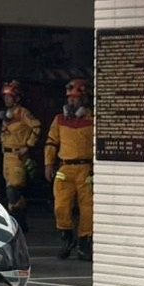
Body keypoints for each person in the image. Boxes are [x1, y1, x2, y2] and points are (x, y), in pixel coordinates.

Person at [44, 78, 94, 261]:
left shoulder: (93, 120)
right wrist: (48, 164)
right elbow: (51, 142)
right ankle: (66, 239)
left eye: (76, 99)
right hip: (64, 168)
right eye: (70, 98)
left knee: (87, 210)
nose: (72, 102)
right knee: (60, 207)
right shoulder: (59, 120)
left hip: (86, 170)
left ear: (84, 100)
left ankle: (84, 244)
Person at [0, 80, 40, 232]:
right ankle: (19, 223)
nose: (6, 99)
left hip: (17, 156)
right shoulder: (7, 116)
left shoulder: (23, 113)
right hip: (6, 157)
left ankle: (18, 221)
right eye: (5, 96)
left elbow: (36, 126)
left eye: (9, 96)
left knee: (13, 190)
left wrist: (28, 146)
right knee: (10, 191)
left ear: (16, 98)